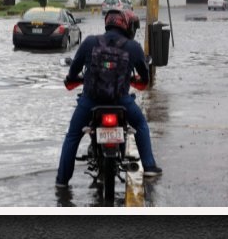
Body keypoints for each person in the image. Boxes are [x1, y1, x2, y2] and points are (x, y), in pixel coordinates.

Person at [57, 10, 163, 188]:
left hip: (90, 101)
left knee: (73, 135)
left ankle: (62, 180)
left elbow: (73, 70)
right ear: (126, 26)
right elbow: (145, 78)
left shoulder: (90, 42)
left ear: (108, 23)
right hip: (121, 101)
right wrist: (136, 80)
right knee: (140, 124)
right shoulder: (133, 47)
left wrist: (71, 79)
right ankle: (150, 166)